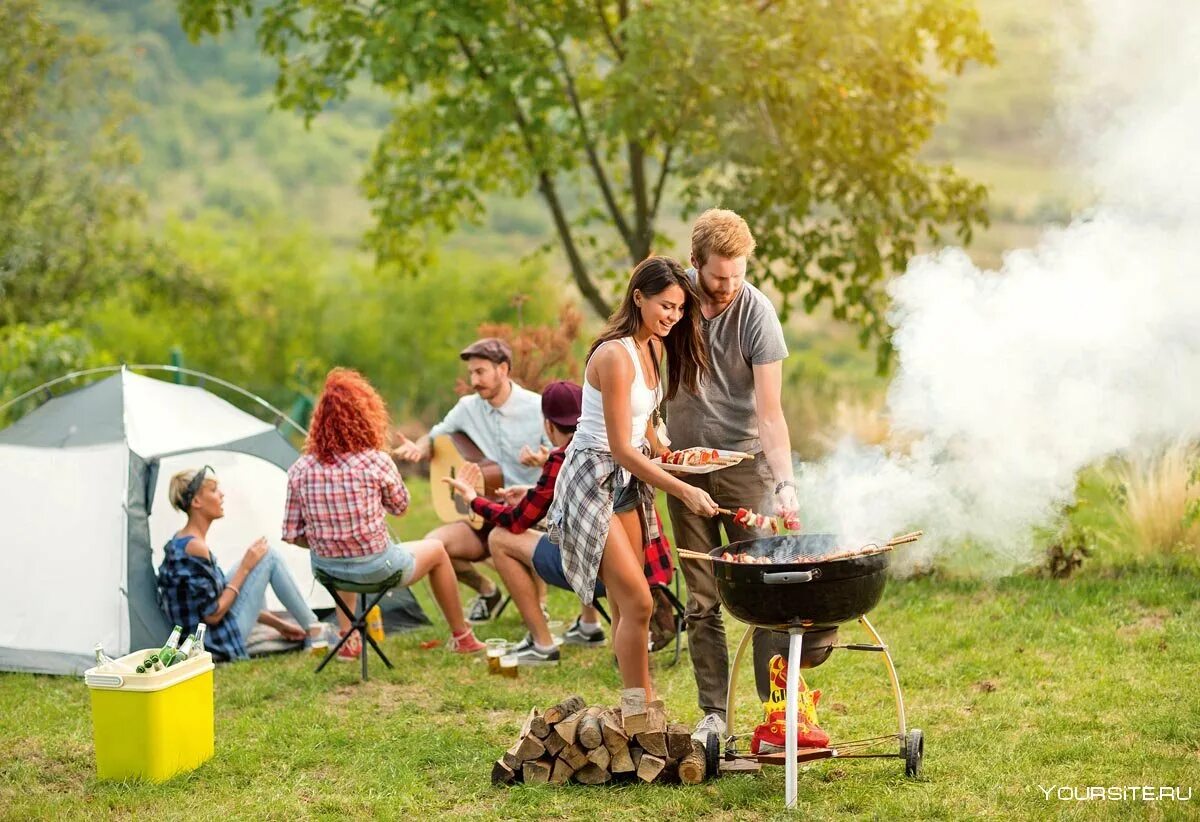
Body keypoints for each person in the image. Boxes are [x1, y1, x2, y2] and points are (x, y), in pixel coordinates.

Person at [548, 255, 719, 701]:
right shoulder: (614, 356)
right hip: (592, 481)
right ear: (638, 297)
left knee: (631, 604)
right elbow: (619, 447)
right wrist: (683, 488)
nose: (673, 317)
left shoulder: (653, 347)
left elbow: (640, 424)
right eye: (666, 306)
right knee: (641, 602)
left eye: (680, 309)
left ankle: (635, 703)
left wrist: (669, 454)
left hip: (627, 483)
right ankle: (640, 706)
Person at [663, 208, 802, 744]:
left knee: (765, 594)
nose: (727, 287)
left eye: (737, 275)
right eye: (718, 277)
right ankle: (714, 716)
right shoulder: (674, 306)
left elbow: (770, 412)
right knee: (701, 600)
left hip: (747, 469)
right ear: (695, 263)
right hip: (685, 471)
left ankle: (778, 714)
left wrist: (785, 485)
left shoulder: (757, 313)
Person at [282, 368, 485, 661]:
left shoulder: (300, 469)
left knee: (342, 553)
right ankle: (462, 637)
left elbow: (292, 535)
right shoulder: (376, 461)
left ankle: (349, 639)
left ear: (319, 422)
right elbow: (401, 508)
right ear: (366, 416)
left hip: (327, 570)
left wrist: (329, 539)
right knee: (438, 551)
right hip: (379, 569)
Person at [443, 380, 607, 665]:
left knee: (500, 539)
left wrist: (473, 500)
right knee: (580, 525)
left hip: (595, 573)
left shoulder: (561, 458)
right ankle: (589, 626)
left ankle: (542, 644)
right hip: (633, 569)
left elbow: (516, 522)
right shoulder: (606, 445)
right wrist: (531, 494)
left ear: (548, 425)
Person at [392, 338, 548, 624]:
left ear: (502, 369)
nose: (474, 380)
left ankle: (538, 605)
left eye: (480, 372)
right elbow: (436, 435)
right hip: (482, 509)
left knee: (509, 541)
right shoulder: (467, 407)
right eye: (471, 373)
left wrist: (543, 458)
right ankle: (487, 591)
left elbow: (560, 457)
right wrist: (420, 447)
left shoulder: (536, 407)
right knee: (434, 546)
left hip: (525, 511)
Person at [157, 466, 324, 662]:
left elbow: (214, 597)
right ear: (196, 501)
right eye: (213, 490)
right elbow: (212, 615)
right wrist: (245, 567)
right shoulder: (195, 547)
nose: (222, 495)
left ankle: (311, 627)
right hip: (211, 641)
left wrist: (279, 625)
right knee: (267, 557)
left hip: (201, 633)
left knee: (257, 559)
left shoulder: (181, 540)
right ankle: (315, 630)